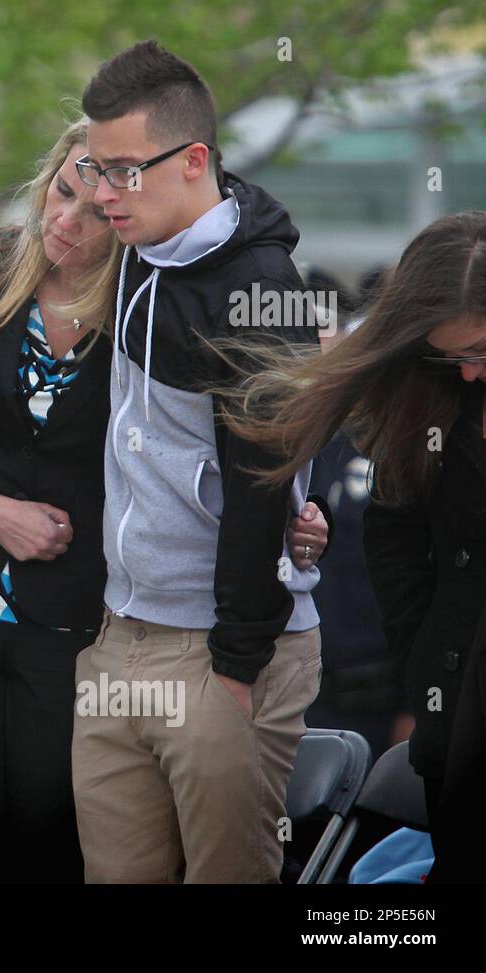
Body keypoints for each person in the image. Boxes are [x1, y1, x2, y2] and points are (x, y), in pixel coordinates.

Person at [0, 110, 329, 883]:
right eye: (61, 191)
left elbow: (208, 439)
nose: (67, 221)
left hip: (75, 623)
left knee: (56, 845)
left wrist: (294, 513)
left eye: (96, 210)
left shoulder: (149, 298)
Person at [216, 209, 486, 882]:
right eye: (453, 357)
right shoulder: (425, 403)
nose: (470, 374)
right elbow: (395, 544)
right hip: (452, 723)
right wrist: (426, 679)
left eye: (479, 350)